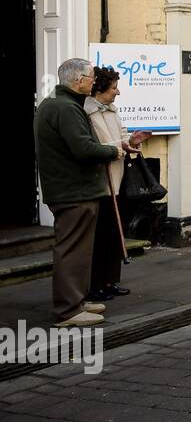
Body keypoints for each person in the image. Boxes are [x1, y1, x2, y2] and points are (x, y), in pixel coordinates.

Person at [34, 58, 124, 327]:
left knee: (79, 251)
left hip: (68, 189)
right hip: (75, 191)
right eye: (91, 76)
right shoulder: (67, 109)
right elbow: (84, 149)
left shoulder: (55, 105)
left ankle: (76, 301)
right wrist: (114, 150)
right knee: (73, 251)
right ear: (78, 80)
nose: (93, 80)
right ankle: (68, 311)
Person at [84, 66, 149, 302]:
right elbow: (96, 145)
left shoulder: (112, 110)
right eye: (113, 88)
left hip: (118, 179)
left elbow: (121, 136)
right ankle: (95, 284)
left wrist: (131, 141)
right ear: (100, 89)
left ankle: (110, 281)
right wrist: (120, 145)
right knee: (100, 235)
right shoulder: (87, 113)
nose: (117, 92)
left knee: (114, 233)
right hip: (101, 182)